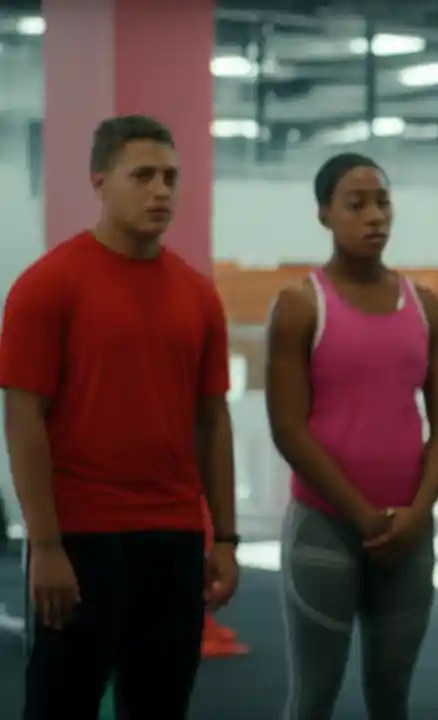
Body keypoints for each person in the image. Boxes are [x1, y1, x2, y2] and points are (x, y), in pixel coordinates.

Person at [0, 114, 240, 719]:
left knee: (160, 706)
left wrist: (227, 537)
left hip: (174, 537)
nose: (161, 191)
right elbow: (23, 418)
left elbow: (213, 422)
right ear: (100, 181)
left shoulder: (197, 294)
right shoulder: (48, 285)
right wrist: (46, 543)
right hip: (81, 538)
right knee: (61, 705)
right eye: (143, 176)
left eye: (170, 177)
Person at [266, 153, 438, 720]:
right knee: (314, 697)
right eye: (356, 205)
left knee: (391, 698)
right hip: (326, 525)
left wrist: (418, 512)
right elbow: (288, 429)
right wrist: (360, 514)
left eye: (382, 201)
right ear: (326, 214)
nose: (374, 215)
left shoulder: (424, 307)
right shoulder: (302, 305)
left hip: (407, 527)